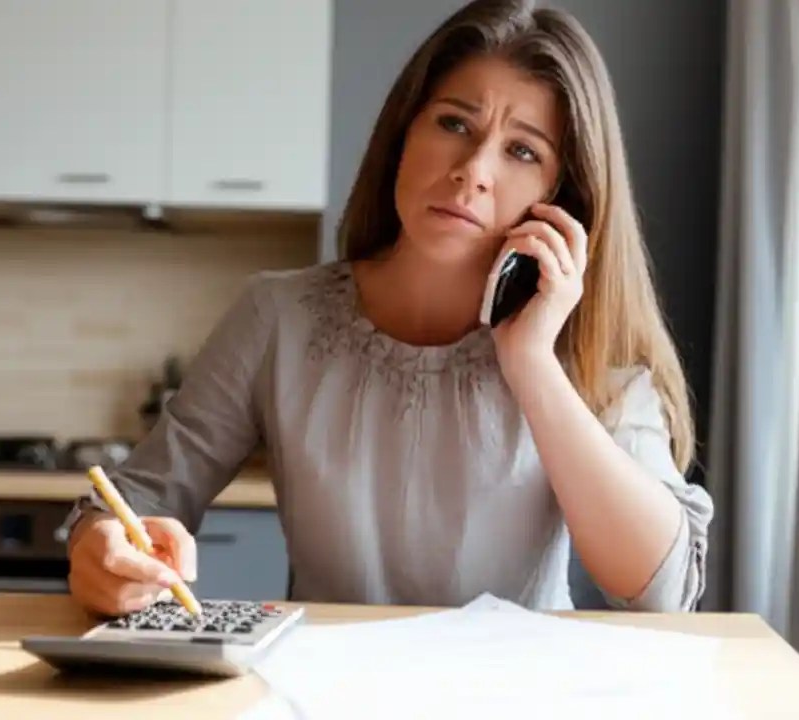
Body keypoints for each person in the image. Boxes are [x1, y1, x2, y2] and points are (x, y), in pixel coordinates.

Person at [63, 0, 713, 617]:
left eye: (523, 151)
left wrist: (533, 365)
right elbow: (133, 499)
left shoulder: (590, 348)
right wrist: (100, 549)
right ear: (404, 133)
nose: (473, 171)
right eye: (454, 123)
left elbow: (660, 590)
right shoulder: (277, 317)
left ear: (559, 197)